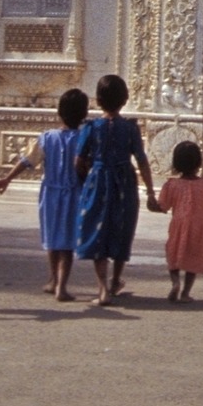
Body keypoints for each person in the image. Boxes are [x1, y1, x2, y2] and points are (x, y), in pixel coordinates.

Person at [0, 87, 89, 301]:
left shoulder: (47, 137)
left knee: (52, 238)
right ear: (84, 114)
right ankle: (61, 287)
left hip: (50, 195)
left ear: (59, 112)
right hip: (74, 194)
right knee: (67, 242)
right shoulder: (84, 138)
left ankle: (53, 279)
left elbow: (27, 161)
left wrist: (7, 178)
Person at [74, 74, 153, 307]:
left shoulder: (91, 127)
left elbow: (78, 160)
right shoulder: (129, 128)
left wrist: (86, 177)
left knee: (99, 231)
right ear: (125, 99)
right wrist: (150, 191)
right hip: (124, 182)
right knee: (121, 228)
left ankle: (102, 289)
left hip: (98, 181)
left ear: (98, 100)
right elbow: (141, 159)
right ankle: (116, 279)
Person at [149, 140, 203, 303]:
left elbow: (162, 207)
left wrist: (151, 202)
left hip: (178, 225)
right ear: (198, 163)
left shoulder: (172, 185)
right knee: (194, 257)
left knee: (173, 253)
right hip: (199, 226)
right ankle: (185, 292)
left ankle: (175, 282)